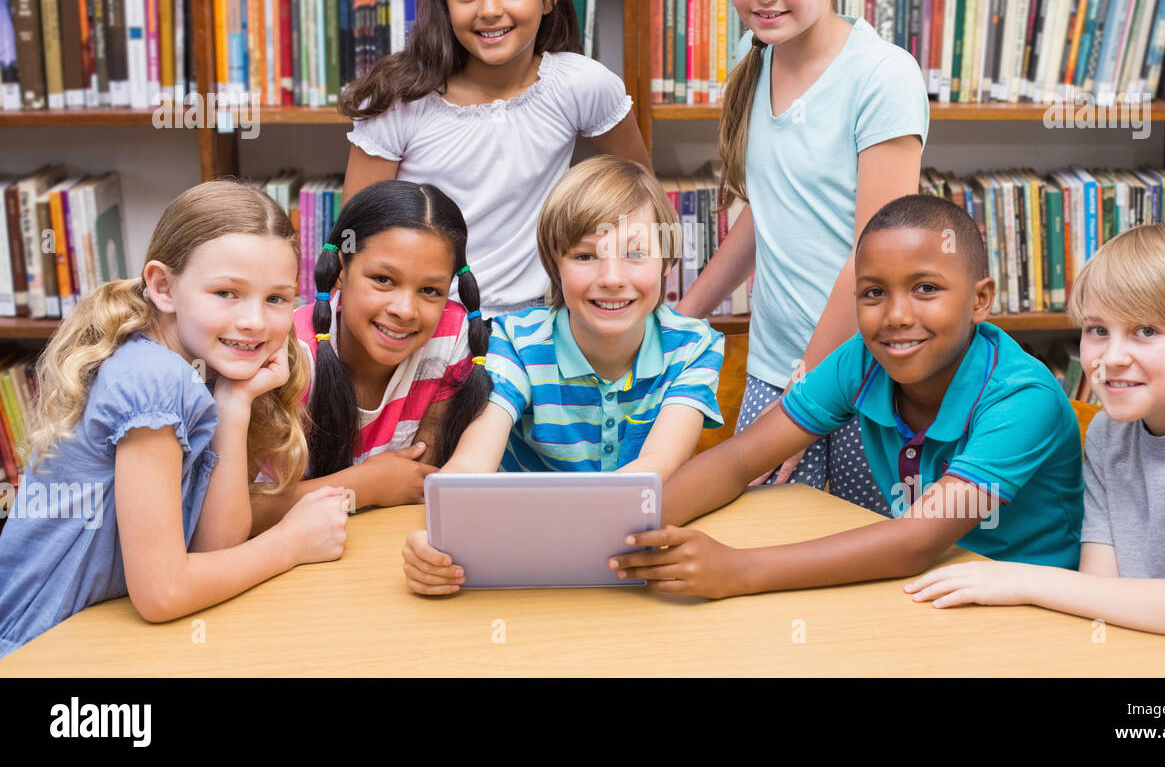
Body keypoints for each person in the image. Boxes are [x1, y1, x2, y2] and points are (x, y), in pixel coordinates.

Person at [610, 195, 1082, 598]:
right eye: (874, 292)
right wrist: (625, 529)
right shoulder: (860, 359)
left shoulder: (1022, 398)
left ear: (981, 300)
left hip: (1026, 601)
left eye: (925, 288)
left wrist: (740, 569)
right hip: (919, 587)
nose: (896, 315)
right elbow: (739, 460)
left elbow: (915, 540)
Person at [906, 224, 1165, 677]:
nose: (1110, 357)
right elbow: (1098, 589)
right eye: (1097, 329)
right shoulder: (1111, 433)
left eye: (1145, 331)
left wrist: (1019, 579)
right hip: (1146, 657)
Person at [0, 182, 348, 657]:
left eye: (277, 299)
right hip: (35, 651)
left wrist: (234, 405)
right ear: (164, 287)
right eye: (227, 292)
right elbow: (163, 593)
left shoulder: (195, 367)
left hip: (93, 638)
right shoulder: (154, 377)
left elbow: (214, 550)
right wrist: (291, 543)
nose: (254, 321)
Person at [675, 0, 928, 513]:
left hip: (856, 378)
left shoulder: (882, 76)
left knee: (850, 579)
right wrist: (681, 321)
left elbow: (879, 254)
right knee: (761, 554)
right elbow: (769, 210)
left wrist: (807, 392)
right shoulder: (754, 54)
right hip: (773, 370)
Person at [401, 157, 726, 595]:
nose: (612, 278)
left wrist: (591, 537)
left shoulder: (695, 346)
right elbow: (473, 461)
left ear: (666, 260)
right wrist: (439, 540)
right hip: (518, 557)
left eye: (635, 254)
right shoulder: (515, 341)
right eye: (585, 256)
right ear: (555, 266)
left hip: (628, 561)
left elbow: (658, 464)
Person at [340, 0, 651, 317]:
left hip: (541, 322)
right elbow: (353, 238)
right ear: (444, 2)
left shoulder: (582, 85)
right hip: (425, 320)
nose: (489, 9)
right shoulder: (399, 98)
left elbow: (641, 196)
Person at [248, 180, 491, 534]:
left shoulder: (452, 339)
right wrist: (366, 485)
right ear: (341, 271)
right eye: (383, 279)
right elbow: (243, 513)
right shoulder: (289, 357)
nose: (405, 310)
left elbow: (417, 484)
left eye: (430, 290)